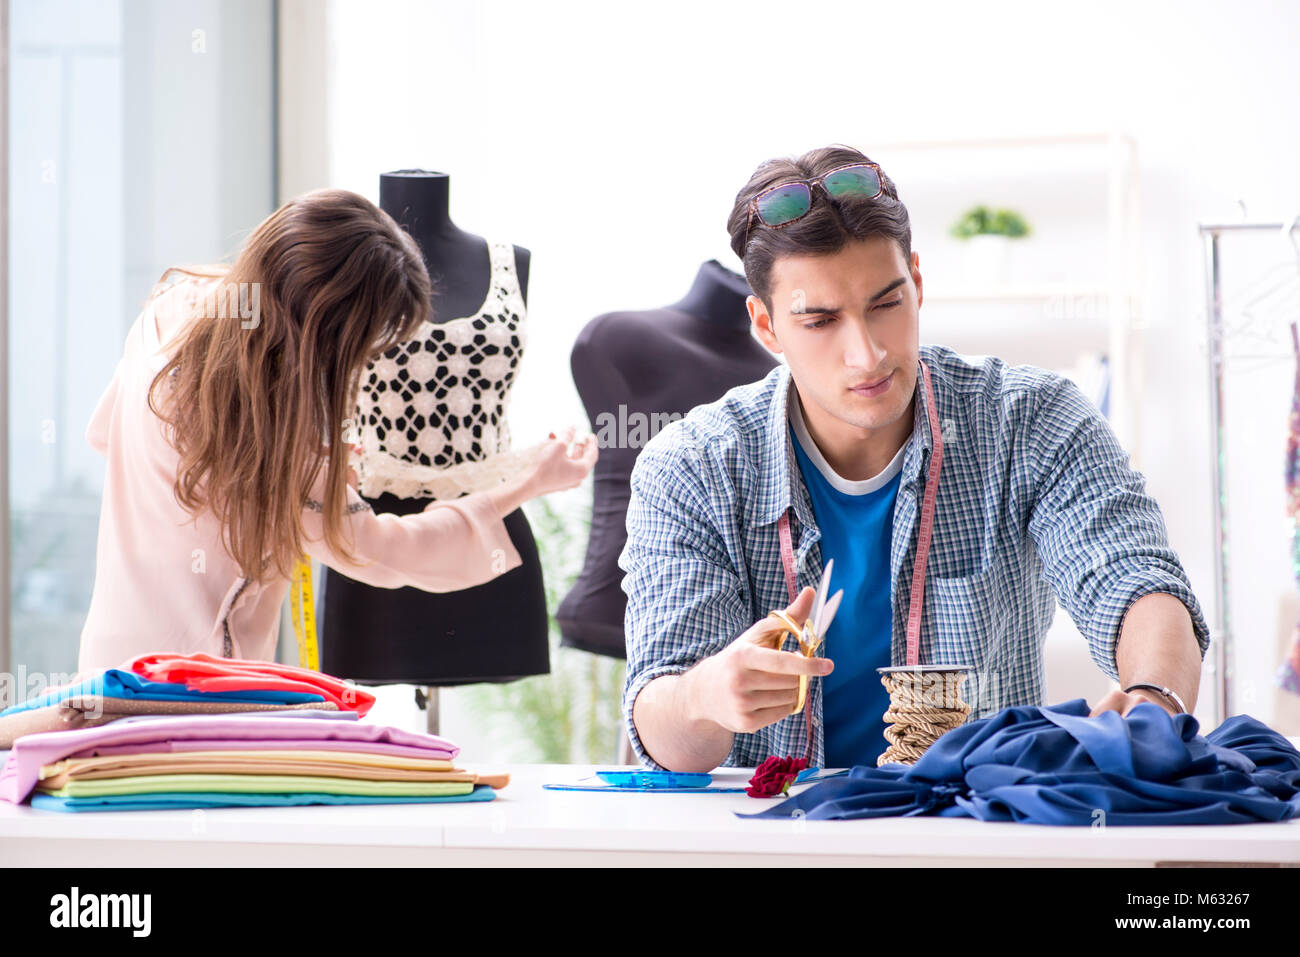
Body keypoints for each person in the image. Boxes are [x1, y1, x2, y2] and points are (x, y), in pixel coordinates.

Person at [619, 144, 1209, 772]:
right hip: (769, 842)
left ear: (918, 283)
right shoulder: (690, 467)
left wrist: (1154, 703)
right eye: (820, 321)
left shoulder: (1033, 422)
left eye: (886, 303)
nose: (867, 353)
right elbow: (664, 733)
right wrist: (704, 698)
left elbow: (1134, 579)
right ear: (766, 326)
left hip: (974, 835)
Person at [77, 188, 597, 676]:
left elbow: (109, 436)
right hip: (197, 698)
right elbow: (391, 550)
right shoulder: (274, 442)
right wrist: (531, 482)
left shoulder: (168, 313)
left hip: (107, 675)